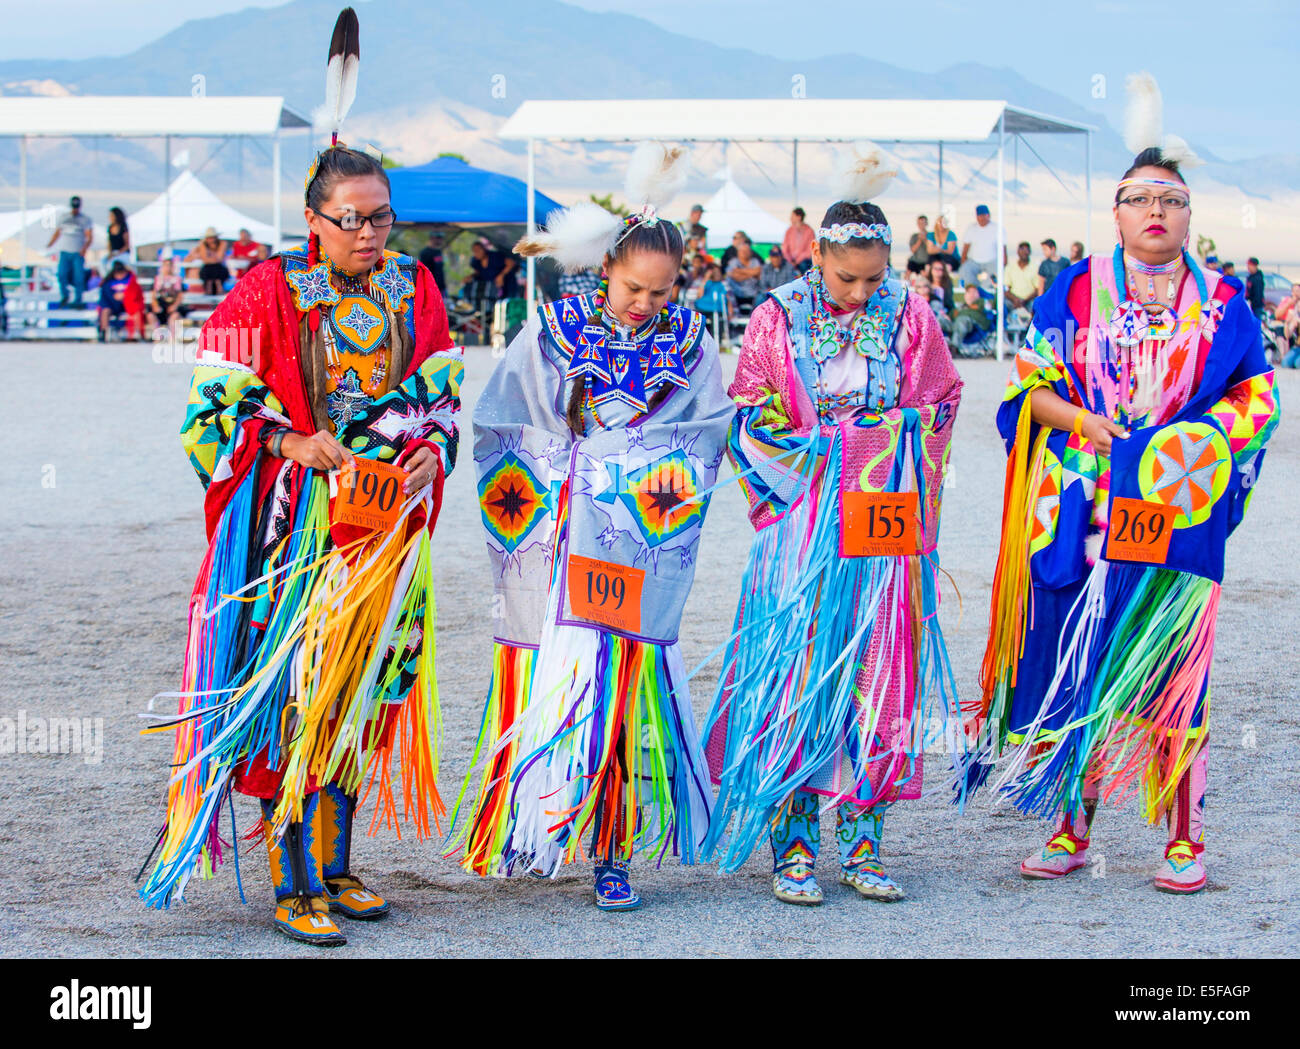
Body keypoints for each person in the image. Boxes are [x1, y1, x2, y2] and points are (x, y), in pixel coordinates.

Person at [139, 19, 464, 948]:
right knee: (301, 692)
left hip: (387, 533)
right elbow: (210, 414)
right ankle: (292, 875)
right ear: (312, 220)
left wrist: (425, 450)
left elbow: (442, 388)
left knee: (366, 691)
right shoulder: (262, 291)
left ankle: (339, 861)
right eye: (351, 218)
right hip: (299, 541)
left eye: (382, 215)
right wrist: (286, 439)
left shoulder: (416, 289)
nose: (369, 232)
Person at [971, 73, 1280, 897]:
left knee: (1175, 669)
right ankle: (1072, 822)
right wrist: (1078, 426)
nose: (1156, 212)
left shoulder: (1223, 304)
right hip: (1085, 510)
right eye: (1139, 198)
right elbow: (1023, 393)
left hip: (1176, 510)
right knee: (1082, 662)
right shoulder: (1074, 290)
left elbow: (1257, 396)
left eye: (1171, 200)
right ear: (1113, 213)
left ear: (1190, 215)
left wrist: (1197, 443)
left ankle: (1184, 835)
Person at [446, 143, 732, 910]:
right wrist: (571, 464)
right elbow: (502, 419)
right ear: (606, 267)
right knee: (554, 679)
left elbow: (705, 436)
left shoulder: (690, 344)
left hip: (631, 544)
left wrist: (623, 463)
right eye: (634, 286)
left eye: (661, 291)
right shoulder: (552, 329)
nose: (644, 303)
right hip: (557, 536)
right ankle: (529, 827)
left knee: (624, 695)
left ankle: (612, 850)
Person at [702, 152, 966, 906]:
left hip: (883, 520)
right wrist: (829, 448)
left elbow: (942, 396)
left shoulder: (910, 311)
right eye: (846, 277)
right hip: (807, 520)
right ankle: (792, 844)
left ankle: (865, 838)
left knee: (880, 673)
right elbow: (748, 414)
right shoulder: (777, 315)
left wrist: (900, 435)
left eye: (873, 278)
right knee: (799, 673)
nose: (859, 292)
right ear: (816, 257)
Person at [47, 195, 93, 308]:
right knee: (62, 274)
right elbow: (57, 233)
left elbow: (89, 236)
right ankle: (65, 295)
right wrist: (49, 245)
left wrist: (84, 248)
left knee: (79, 277)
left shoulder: (85, 220)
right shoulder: (64, 218)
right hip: (65, 251)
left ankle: (78, 300)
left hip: (77, 252)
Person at [96, 260, 145, 341]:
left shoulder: (131, 279)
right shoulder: (108, 282)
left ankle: (139, 334)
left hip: (128, 304)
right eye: (117, 273)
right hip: (112, 304)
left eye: (121, 272)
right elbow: (105, 296)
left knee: (136, 312)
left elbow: (136, 292)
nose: (120, 275)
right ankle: (103, 332)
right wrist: (113, 296)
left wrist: (125, 295)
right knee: (105, 311)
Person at [959, 204, 1004, 286]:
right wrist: (963, 261)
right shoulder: (971, 228)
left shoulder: (997, 228)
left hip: (992, 261)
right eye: (980, 216)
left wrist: (1004, 262)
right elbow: (966, 248)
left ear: (989, 215)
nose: (982, 218)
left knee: (995, 276)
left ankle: (985, 292)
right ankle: (973, 289)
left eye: (984, 215)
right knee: (964, 270)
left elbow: (1003, 248)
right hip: (974, 261)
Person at [949, 282, 992, 356]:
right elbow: (950, 316)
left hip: (973, 326)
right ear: (965, 295)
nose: (972, 294)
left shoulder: (982, 303)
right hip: (955, 326)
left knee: (962, 320)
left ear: (978, 294)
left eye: (974, 292)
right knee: (939, 320)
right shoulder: (960, 308)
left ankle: (954, 348)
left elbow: (992, 305)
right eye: (969, 292)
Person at [186, 227, 230, 295]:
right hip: (211, 270)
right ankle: (217, 286)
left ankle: (212, 286)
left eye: (212, 237)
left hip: (216, 270)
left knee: (213, 269)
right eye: (209, 237)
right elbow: (208, 259)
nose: (211, 240)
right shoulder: (203, 245)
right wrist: (213, 257)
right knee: (211, 269)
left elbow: (218, 259)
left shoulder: (222, 243)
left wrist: (209, 257)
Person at [148, 256, 186, 333]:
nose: (167, 268)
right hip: (161, 303)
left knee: (174, 316)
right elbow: (153, 295)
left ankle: (171, 338)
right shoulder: (157, 279)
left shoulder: (177, 279)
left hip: (173, 304)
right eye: (165, 265)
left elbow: (180, 295)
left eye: (169, 265)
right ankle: (157, 336)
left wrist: (174, 306)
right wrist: (155, 305)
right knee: (150, 315)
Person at [725, 238, 762, 311]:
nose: (744, 253)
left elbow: (758, 273)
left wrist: (739, 271)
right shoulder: (733, 262)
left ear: (750, 252)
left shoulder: (755, 261)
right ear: (738, 252)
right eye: (742, 251)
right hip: (737, 294)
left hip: (754, 293)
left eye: (747, 251)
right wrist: (752, 273)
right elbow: (736, 277)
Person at [1005, 240, 1039, 311]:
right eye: (1022, 249)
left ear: (1029, 252)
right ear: (1017, 252)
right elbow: (1006, 288)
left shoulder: (1035, 267)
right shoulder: (1010, 267)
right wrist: (1015, 300)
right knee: (1002, 306)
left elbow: (1037, 289)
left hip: (1029, 300)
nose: (1024, 252)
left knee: (1036, 307)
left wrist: (1025, 301)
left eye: (1026, 250)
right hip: (1013, 300)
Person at [782, 207, 815, 273]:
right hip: (790, 260)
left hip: (803, 260)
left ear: (799, 217)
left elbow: (809, 250)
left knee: (804, 265)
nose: (790, 218)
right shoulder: (789, 230)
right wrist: (790, 260)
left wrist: (797, 260)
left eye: (792, 216)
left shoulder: (809, 231)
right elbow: (785, 248)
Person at [1245, 257, 1265, 322]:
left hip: (1256, 306)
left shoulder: (1258, 278)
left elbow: (1258, 294)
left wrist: (1253, 303)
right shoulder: (1250, 277)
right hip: (1250, 304)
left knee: (1256, 321)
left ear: (1254, 266)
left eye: (1250, 265)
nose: (1248, 267)